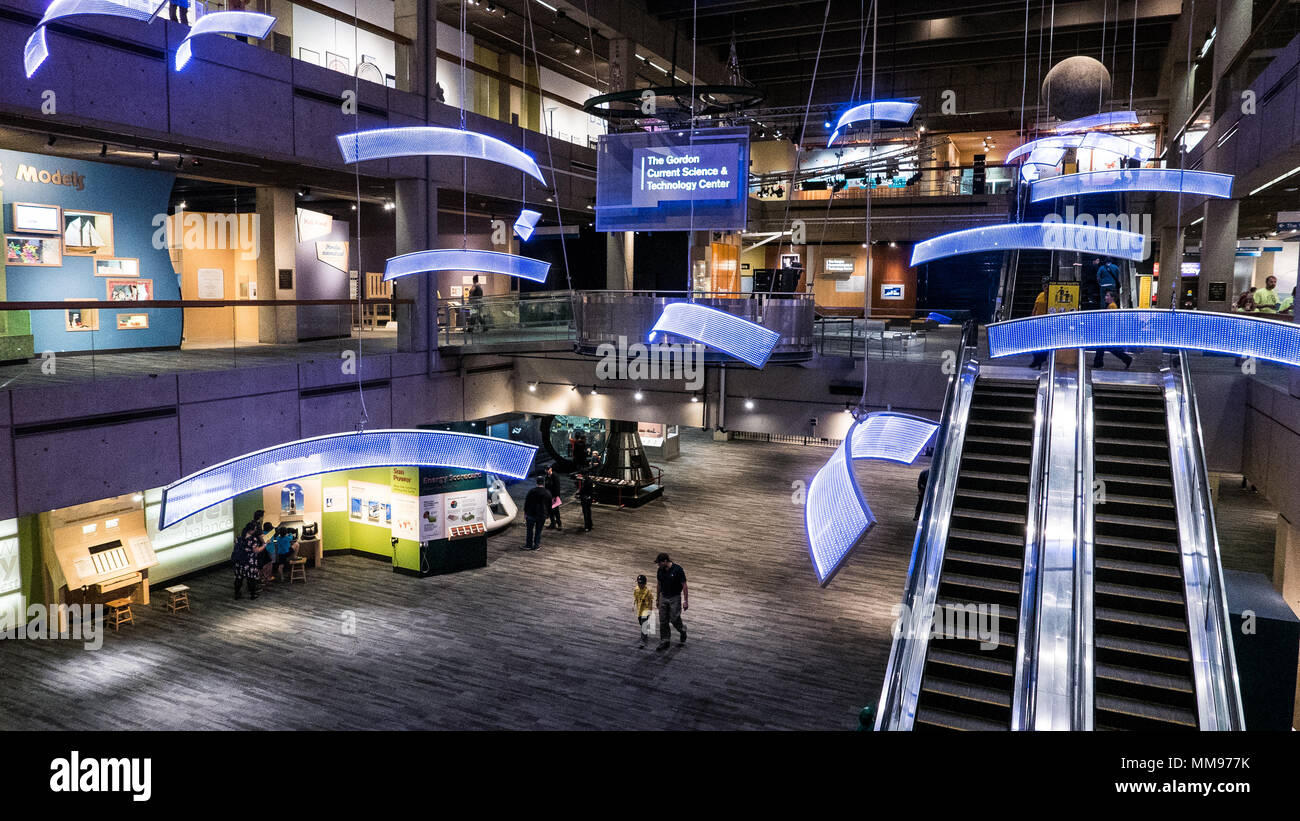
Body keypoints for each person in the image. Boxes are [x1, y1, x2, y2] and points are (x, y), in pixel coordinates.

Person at [654, 552, 688, 652]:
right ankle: (665, 640)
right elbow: (659, 584)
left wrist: (685, 601)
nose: (658, 565)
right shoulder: (660, 570)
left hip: (675, 597)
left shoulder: (678, 569)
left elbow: (684, 585)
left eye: (659, 563)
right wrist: (657, 598)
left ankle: (682, 630)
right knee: (663, 620)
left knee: (674, 618)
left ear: (665, 561)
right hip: (664, 596)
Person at [1092, 290, 1133, 369]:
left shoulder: (1112, 306)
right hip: (1108, 330)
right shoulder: (1111, 305)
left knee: (1103, 347)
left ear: (1112, 297)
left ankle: (1098, 363)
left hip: (1108, 330)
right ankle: (1098, 363)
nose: (1105, 297)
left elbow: (1109, 319)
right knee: (1105, 347)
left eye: (1107, 296)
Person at [233, 510, 266, 599]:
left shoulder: (239, 538)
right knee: (251, 578)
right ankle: (252, 594)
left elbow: (236, 546)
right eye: (254, 529)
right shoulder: (252, 540)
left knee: (239, 578)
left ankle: (237, 594)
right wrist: (264, 545)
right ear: (251, 530)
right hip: (249, 562)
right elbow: (256, 550)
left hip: (239, 561)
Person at [522, 477, 551, 551]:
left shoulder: (532, 491)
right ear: (543, 483)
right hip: (542, 515)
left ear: (536, 482)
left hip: (531, 513)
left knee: (529, 530)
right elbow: (549, 505)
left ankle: (529, 545)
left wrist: (525, 513)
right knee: (538, 531)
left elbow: (527, 503)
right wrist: (548, 514)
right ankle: (536, 545)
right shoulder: (547, 492)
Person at [1029, 280, 1049, 369]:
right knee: (1035, 342)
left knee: (1044, 342)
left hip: (1047, 322)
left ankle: (1041, 359)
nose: (1045, 287)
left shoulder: (1051, 297)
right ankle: (1037, 359)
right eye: (1044, 285)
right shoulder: (1040, 295)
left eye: (1047, 285)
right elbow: (1035, 308)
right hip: (1037, 322)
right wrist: (1032, 317)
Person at [633, 574, 654, 648]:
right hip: (640, 609)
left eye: (641, 583)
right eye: (638, 583)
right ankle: (645, 632)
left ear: (645, 583)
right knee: (641, 623)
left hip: (646, 609)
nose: (640, 584)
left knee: (643, 623)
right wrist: (634, 605)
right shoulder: (636, 589)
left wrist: (650, 610)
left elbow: (651, 599)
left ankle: (643, 640)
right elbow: (635, 597)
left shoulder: (647, 591)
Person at [544, 466, 563, 530]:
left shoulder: (555, 476)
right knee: (550, 511)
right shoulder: (546, 476)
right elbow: (546, 486)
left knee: (556, 511)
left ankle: (559, 524)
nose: (547, 471)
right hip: (549, 496)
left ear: (551, 469)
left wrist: (556, 496)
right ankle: (553, 523)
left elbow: (557, 487)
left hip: (554, 496)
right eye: (546, 470)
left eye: (548, 469)